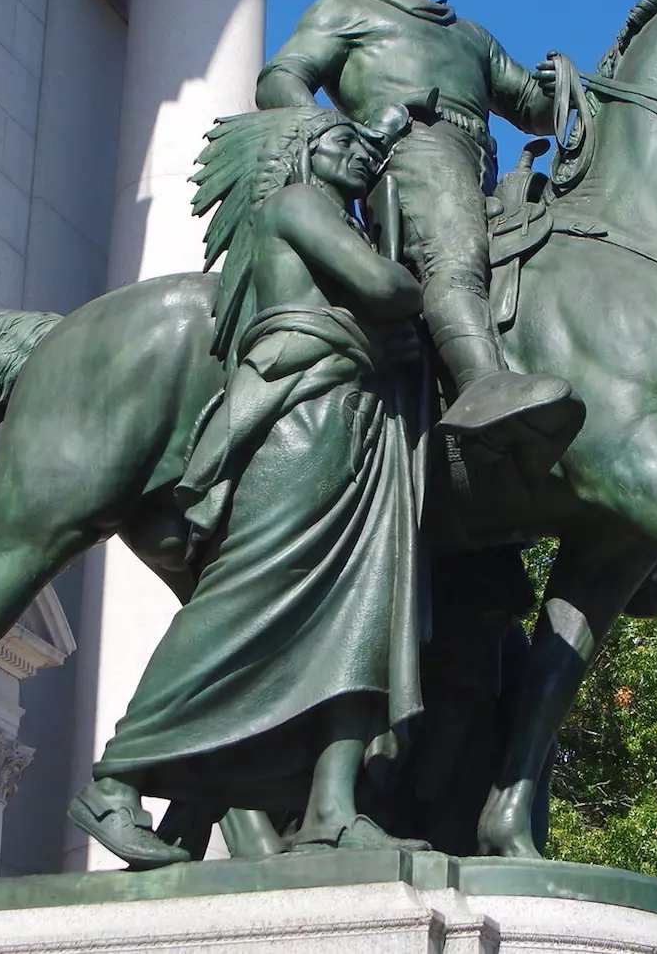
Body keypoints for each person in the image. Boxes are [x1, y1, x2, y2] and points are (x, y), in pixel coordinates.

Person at [71, 105, 428, 865]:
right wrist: (399, 281)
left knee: (366, 612)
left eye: (364, 150)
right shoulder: (297, 205)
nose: (357, 156)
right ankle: (118, 780)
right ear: (302, 153)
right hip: (304, 415)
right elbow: (384, 286)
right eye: (339, 143)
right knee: (244, 592)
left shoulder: (340, 215)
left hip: (360, 419)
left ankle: (333, 805)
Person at [255, 0, 578, 466]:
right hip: (410, 150)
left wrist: (558, 87)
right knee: (456, 254)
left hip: (483, 164)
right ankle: (482, 384)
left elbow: (531, 108)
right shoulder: (345, 12)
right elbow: (281, 79)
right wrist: (338, 137)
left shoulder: (470, 36)